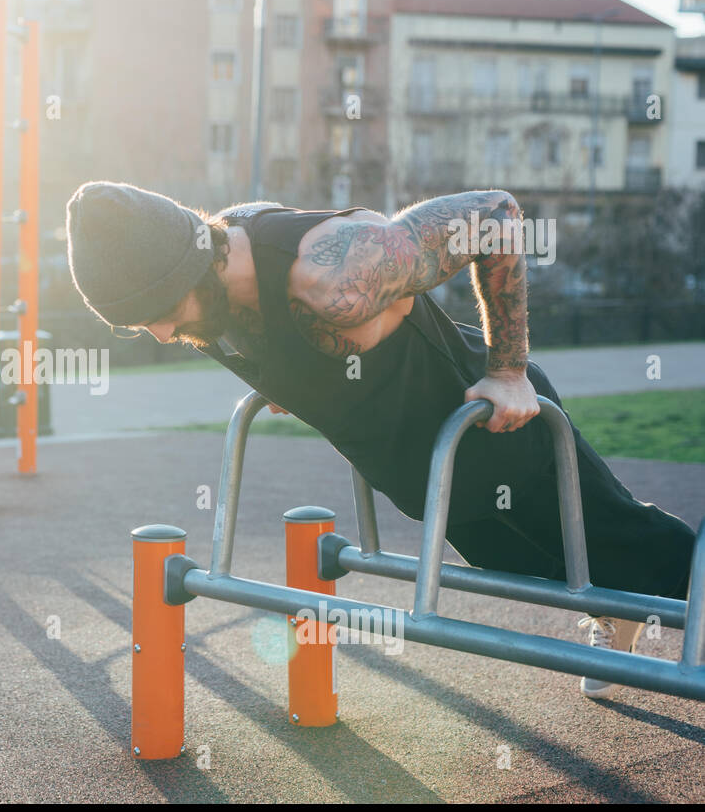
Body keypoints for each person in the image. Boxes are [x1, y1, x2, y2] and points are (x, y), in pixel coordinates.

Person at [65, 181, 699, 699]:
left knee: (633, 550)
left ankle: (636, 600)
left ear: (193, 263)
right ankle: (613, 612)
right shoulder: (217, 279)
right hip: (425, 473)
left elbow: (497, 215)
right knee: (519, 568)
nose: (156, 331)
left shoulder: (331, 271)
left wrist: (508, 369)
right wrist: (292, 376)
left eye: (158, 308)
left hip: (496, 435)